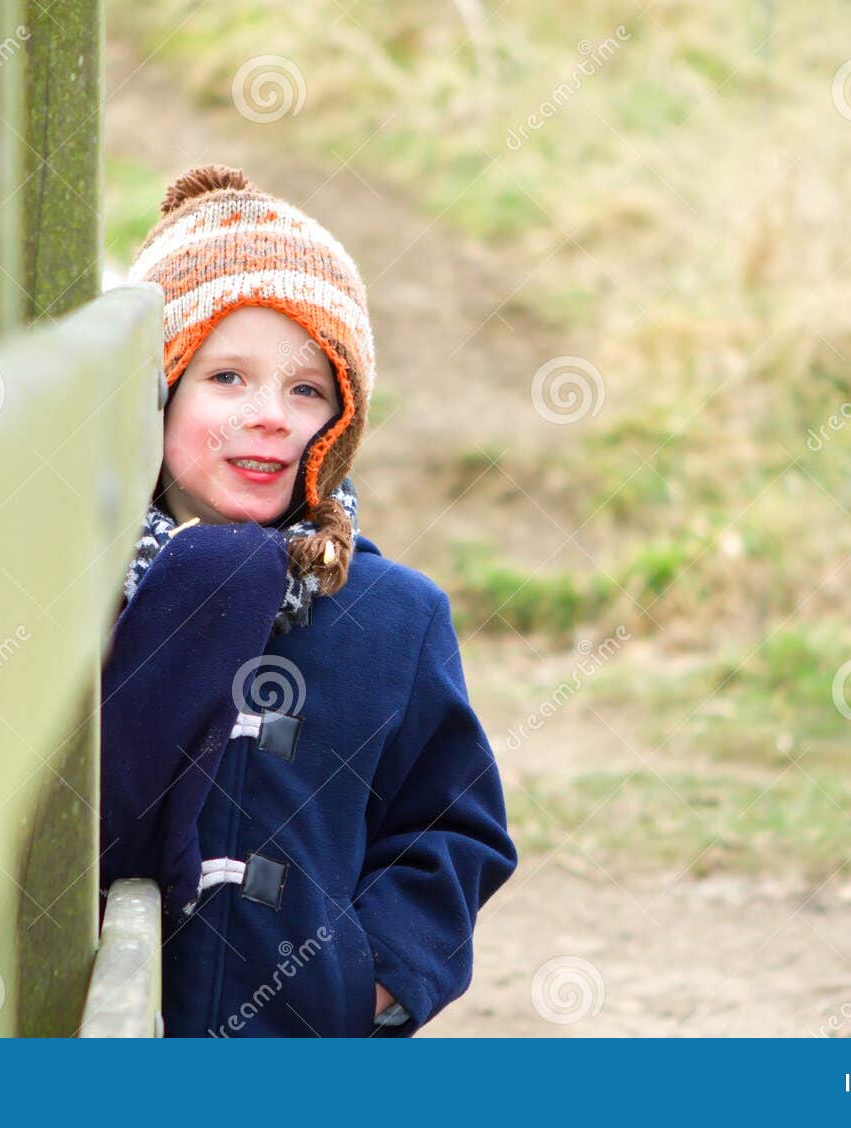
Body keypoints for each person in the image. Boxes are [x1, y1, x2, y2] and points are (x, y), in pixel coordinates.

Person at [99, 163, 517, 1037]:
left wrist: (367, 982)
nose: (270, 416)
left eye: (306, 389)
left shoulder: (396, 615)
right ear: (158, 389)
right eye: (227, 378)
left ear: (340, 421)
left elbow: (452, 832)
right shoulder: (82, 590)